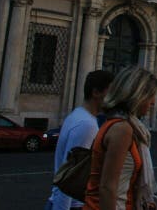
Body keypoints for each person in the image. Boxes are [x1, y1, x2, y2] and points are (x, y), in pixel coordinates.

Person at [84, 66, 157, 210]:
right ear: (137, 95)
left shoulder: (121, 124)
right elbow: (107, 187)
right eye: (150, 96)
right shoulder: (122, 129)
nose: (153, 102)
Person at [47, 70, 114, 210]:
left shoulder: (78, 115)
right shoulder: (86, 125)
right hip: (72, 205)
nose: (113, 99)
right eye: (110, 93)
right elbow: (69, 177)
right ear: (96, 92)